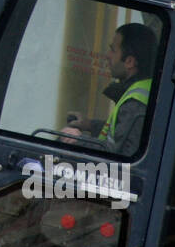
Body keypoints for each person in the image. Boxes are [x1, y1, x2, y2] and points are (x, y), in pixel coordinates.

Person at [63, 23, 156, 154]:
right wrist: (89, 125)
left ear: (129, 62)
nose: (107, 55)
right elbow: (120, 133)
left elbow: (120, 157)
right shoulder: (141, 89)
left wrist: (78, 139)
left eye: (113, 50)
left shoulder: (135, 103)